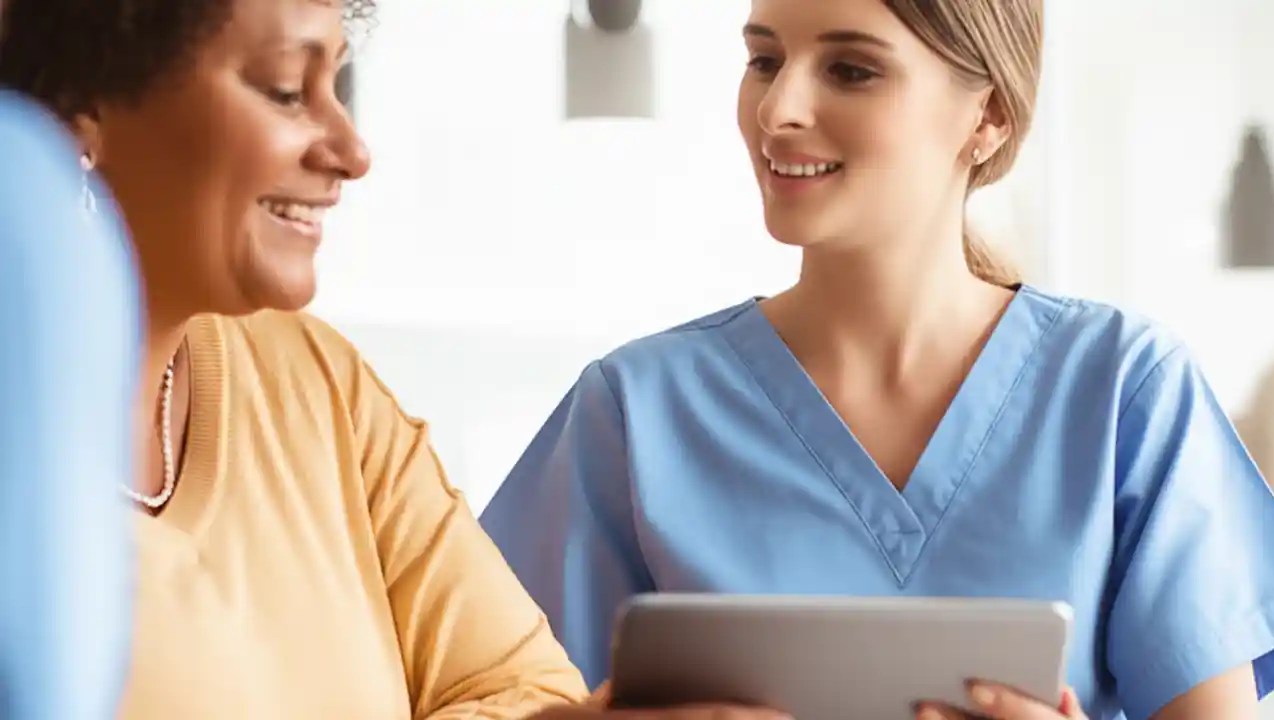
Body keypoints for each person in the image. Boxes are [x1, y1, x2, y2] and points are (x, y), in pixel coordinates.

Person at [479, 1, 1274, 718]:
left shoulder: (1122, 390)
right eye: (764, 60)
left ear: (989, 116)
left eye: (851, 70)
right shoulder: (633, 411)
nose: (779, 109)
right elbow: (485, 694)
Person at [0, 3, 791, 719]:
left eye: (337, 83)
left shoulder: (315, 382)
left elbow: (521, 689)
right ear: (77, 114)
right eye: (285, 90)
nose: (350, 150)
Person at [0, 90, 139, 720]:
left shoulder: (333, 387)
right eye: (282, 91)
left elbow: (485, 675)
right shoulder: (22, 192)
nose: (352, 155)